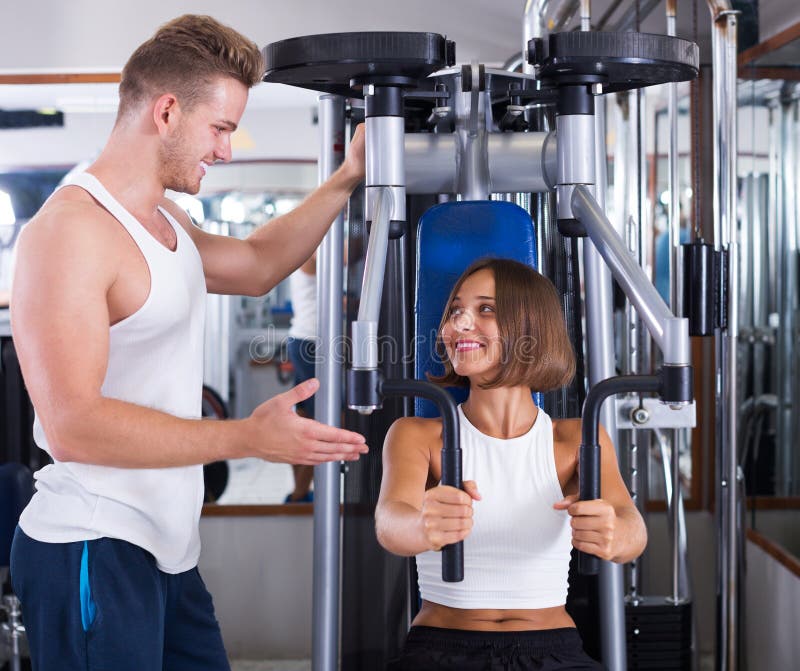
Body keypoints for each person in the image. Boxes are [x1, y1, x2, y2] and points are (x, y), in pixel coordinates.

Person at [9, 15, 367, 671]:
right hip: (93, 542)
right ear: (168, 111)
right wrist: (247, 437)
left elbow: (258, 262)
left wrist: (347, 177)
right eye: (221, 129)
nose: (227, 150)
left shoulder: (163, 217)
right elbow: (73, 427)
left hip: (169, 550)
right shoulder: (69, 232)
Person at [376, 258, 647, 670]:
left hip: (553, 650)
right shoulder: (418, 435)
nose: (459, 325)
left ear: (530, 330)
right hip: (442, 650)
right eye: (455, 312)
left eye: (485, 309)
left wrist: (613, 531)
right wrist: (422, 526)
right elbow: (390, 522)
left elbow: (632, 528)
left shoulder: (574, 439)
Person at [284, 251, 318, 503]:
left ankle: (301, 492)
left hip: (305, 342)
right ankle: (299, 496)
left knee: (304, 419)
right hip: (311, 345)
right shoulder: (311, 253)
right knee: (325, 422)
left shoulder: (314, 255)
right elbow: (353, 252)